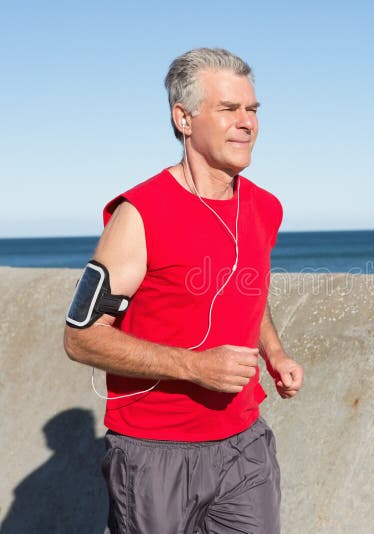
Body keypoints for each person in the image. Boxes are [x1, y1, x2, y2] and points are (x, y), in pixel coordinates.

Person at [63, 47, 303, 534]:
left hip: (245, 444)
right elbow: (81, 337)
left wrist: (274, 354)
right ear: (184, 118)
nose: (246, 123)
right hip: (155, 454)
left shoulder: (266, 208)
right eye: (228, 109)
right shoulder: (140, 214)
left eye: (252, 110)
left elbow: (248, 290)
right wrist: (195, 366)